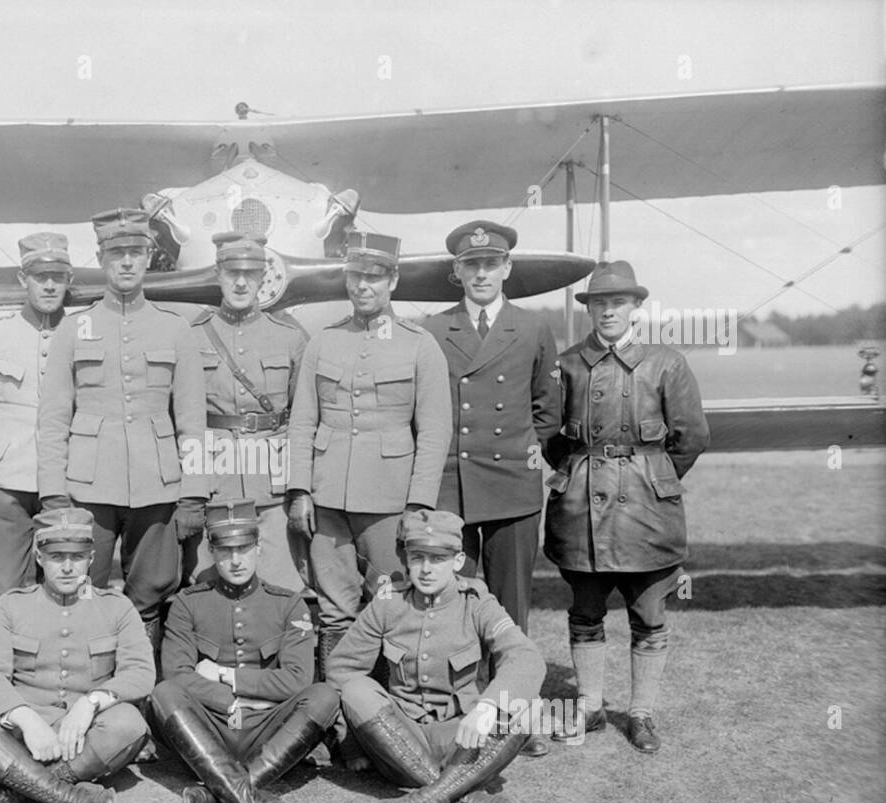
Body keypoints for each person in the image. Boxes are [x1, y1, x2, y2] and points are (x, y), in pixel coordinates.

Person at [543, 261, 709, 753]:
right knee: (585, 612)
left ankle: (640, 714)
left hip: (647, 513)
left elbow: (692, 437)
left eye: (617, 302)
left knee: (649, 615)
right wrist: (580, 475)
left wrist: (651, 478)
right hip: (581, 510)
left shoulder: (667, 362)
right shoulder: (568, 364)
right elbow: (554, 439)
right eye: (598, 303)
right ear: (589, 309)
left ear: (636, 306)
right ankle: (590, 705)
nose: (608, 311)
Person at [36, 208, 208, 652]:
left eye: (136, 252)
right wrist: (53, 491)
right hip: (87, 485)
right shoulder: (74, 328)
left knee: (152, 592)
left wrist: (193, 492)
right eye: (117, 253)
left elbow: (192, 421)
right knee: (77, 591)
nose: (127, 262)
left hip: (157, 485)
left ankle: (144, 696)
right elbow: (53, 417)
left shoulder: (175, 329)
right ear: (101, 257)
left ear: (150, 258)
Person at [424, 220, 562, 758]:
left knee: (510, 606)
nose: (481, 273)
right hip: (452, 485)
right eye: (470, 265)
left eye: (491, 264)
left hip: (511, 487)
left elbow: (548, 410)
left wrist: (524, 455)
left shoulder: (533, 327)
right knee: (451, 604)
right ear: (457, 273)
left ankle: (515, 715)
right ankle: (452, 711)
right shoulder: (435, 329)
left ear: (506, 269)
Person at [286, 230, 453, 677]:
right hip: (328, 500)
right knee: (334, 610)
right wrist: (299, 488)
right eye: (355, 275)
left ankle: (387, 715)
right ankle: (339, 722)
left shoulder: (420, 345)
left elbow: (435, 432)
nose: (363, 286)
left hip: (389, 502)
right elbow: (302, 421)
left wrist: (418, 505)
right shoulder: (323, 341)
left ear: (393, 280)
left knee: (390, 605)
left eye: (374, 277)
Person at [328, 509, 545, 803]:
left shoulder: (477, 602)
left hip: (462, 742)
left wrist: (488, 707)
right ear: (406, 559)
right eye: (417, 557)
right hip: (399, 742)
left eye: (438, 558)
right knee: (357, 689)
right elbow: (341, 668)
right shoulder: (389, 602)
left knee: (528, 705)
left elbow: (526, 657)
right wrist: (351, 745)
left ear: (458, 561)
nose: (426, 569)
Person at [151, 499, 339, 803]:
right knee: (164, 693)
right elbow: (178, 675)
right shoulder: (187, 603)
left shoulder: (288, 603)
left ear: (258, 547)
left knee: (324, 696)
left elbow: (298, 680)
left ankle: (217, 795)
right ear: (211, 550)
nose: (236, 560)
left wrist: (227, 676)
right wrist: (232, 702)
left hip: (267, 727)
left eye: (244, 548)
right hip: (211, 727)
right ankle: (253, 800)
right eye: (225, 550)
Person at [0, 507, 153, 803]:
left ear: (91, 557)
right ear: (38, 556)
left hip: (82, 736)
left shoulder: (116, 608)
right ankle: (75, 797)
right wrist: (26, 720)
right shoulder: (12, 605)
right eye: (56, 556)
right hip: (20, 735)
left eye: (76, 556)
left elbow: (141, 673)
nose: (66, 567)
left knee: (128, 723)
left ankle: (8, 791)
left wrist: (91, 703)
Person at [183, 232, 310, 592]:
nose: (240, 282)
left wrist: (300, 488)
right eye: (231, 272)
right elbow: (184, 418)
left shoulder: (289, 337)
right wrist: (193, 490)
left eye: (250, 273)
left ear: (263, 276)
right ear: (217, 274)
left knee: (282, 586)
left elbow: (302, 420)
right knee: (208, 586)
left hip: (272, 484)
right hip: (213, 476)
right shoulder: (192, 335)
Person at [0, 232, 72, 600]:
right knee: (1, 590)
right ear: (21, 279)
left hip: (66, 480)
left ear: (69, 280)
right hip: (5, 479)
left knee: (66, 590)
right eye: (38, 276)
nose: (48, 285)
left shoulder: (82, 333)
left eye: (57, 277)